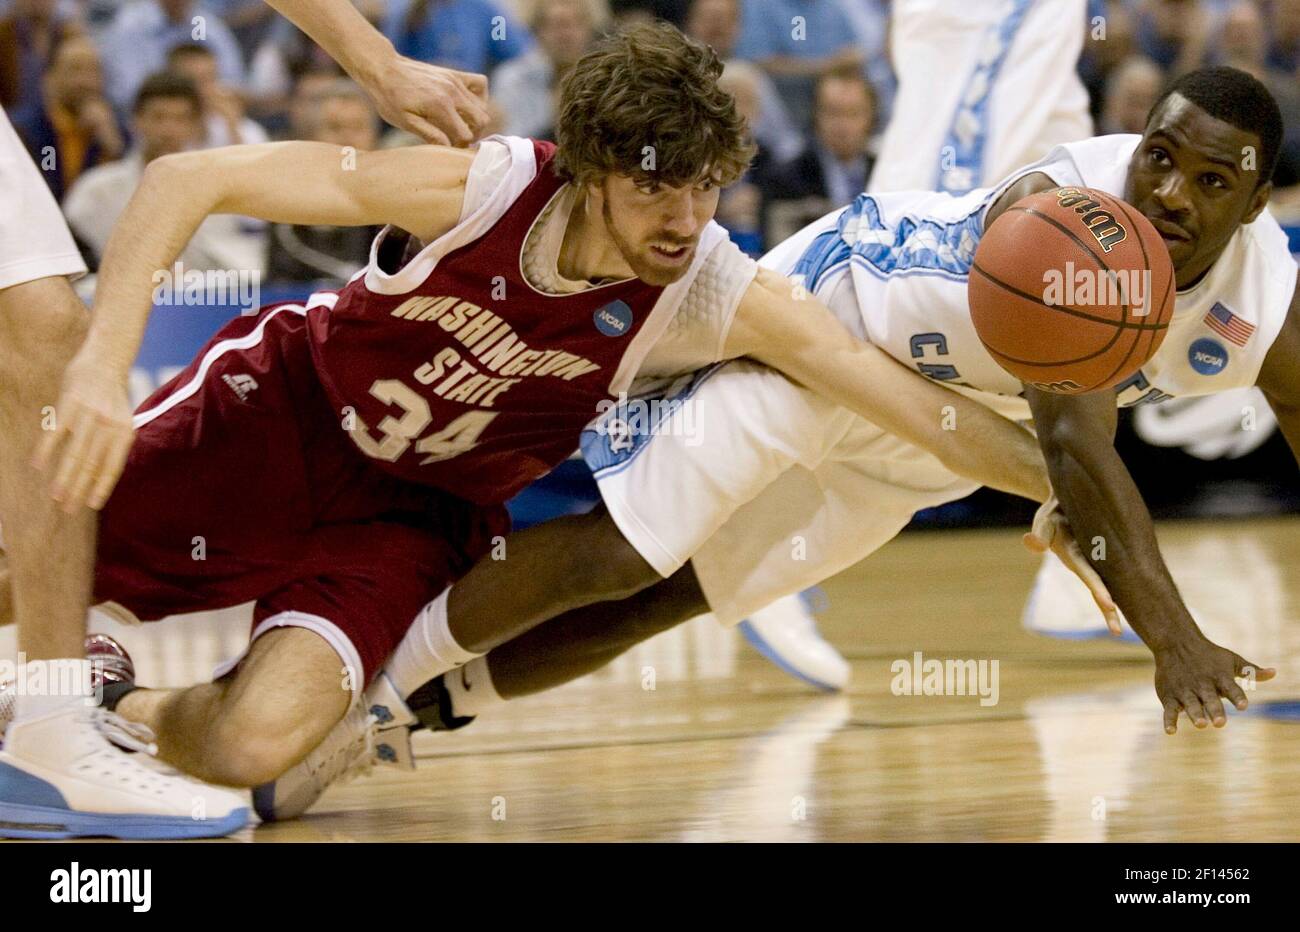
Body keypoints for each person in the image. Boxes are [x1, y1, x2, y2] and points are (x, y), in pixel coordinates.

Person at [0, 24, 1065, 819]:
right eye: (658, 193)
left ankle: (117, 706)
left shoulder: (705, 286)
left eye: (704, 189)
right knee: (28, 563)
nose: (685, 220)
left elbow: (919, 409)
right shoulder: (480, 188)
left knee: (251, 750)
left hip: (404, 521)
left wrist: (1069, 492)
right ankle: (64, 669)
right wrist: (100, 362)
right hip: (281, 419)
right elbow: (190, 178)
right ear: (593, 171)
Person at [263, 65, 1300, 820]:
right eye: (1158, 158)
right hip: (832, 332)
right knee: (626, 548)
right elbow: (1073, 443)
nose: (1166, 193)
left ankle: (409, 719)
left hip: (931, 443)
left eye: (1210, 184)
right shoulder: (1067, 215)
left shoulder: (1262, 294)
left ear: (1255, 208)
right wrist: (1176, 637)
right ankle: (355, 689)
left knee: (674, 600)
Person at [0, 0, 503, 839]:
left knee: (45, 329)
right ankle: (53, 720)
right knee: (47, 337)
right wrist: (378, 62)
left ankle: (58, 720)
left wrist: (376, 62)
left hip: (399, 494)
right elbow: (183, 182)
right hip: (301, 426)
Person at [63, 71, 266, 274]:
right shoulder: (95, 190)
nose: (169, 130)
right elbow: (72, 267)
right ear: (137, 120)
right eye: (159, 117)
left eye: (180, 119)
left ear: (195, 125)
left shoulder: (213, 190)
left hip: (198, 300)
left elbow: (232, 264)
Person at [9, 32, 123, 201]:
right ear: (49, 78)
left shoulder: (119, 132)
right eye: (75, 70)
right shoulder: (22, 130)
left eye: (94, 71)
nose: (86, 82)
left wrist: (113, 148)